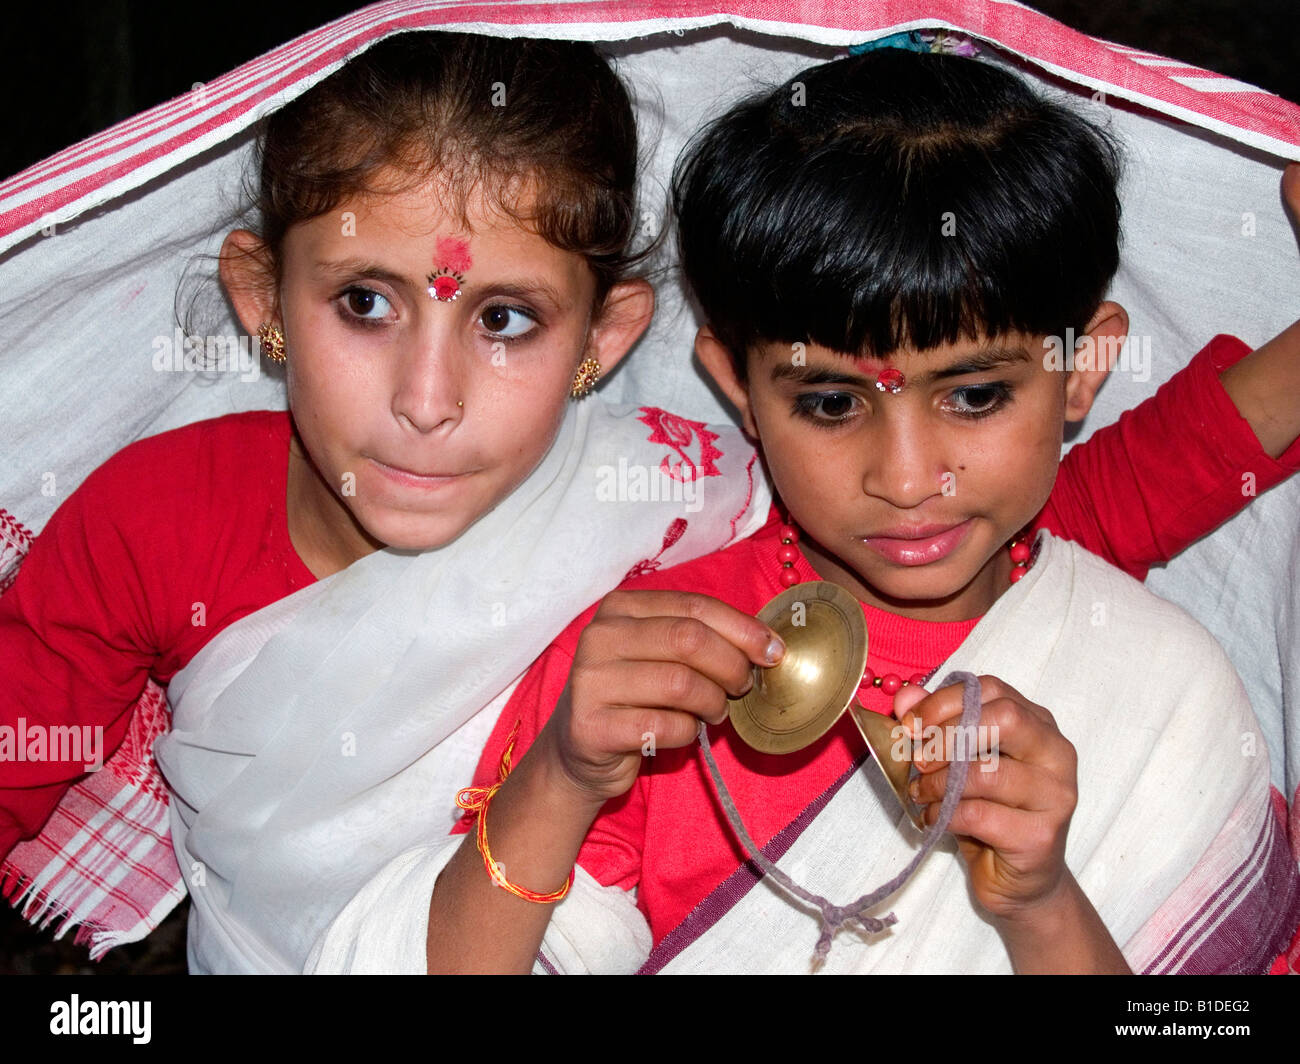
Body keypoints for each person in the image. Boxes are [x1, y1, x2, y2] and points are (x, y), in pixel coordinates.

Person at [3, 34, 1296, 973]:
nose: (427, 398)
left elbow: (1066, 509)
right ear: (260, 297)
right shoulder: (150, 519)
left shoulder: (697, 500)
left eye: (506, 318)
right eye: (364, 304)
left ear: (606, 335)